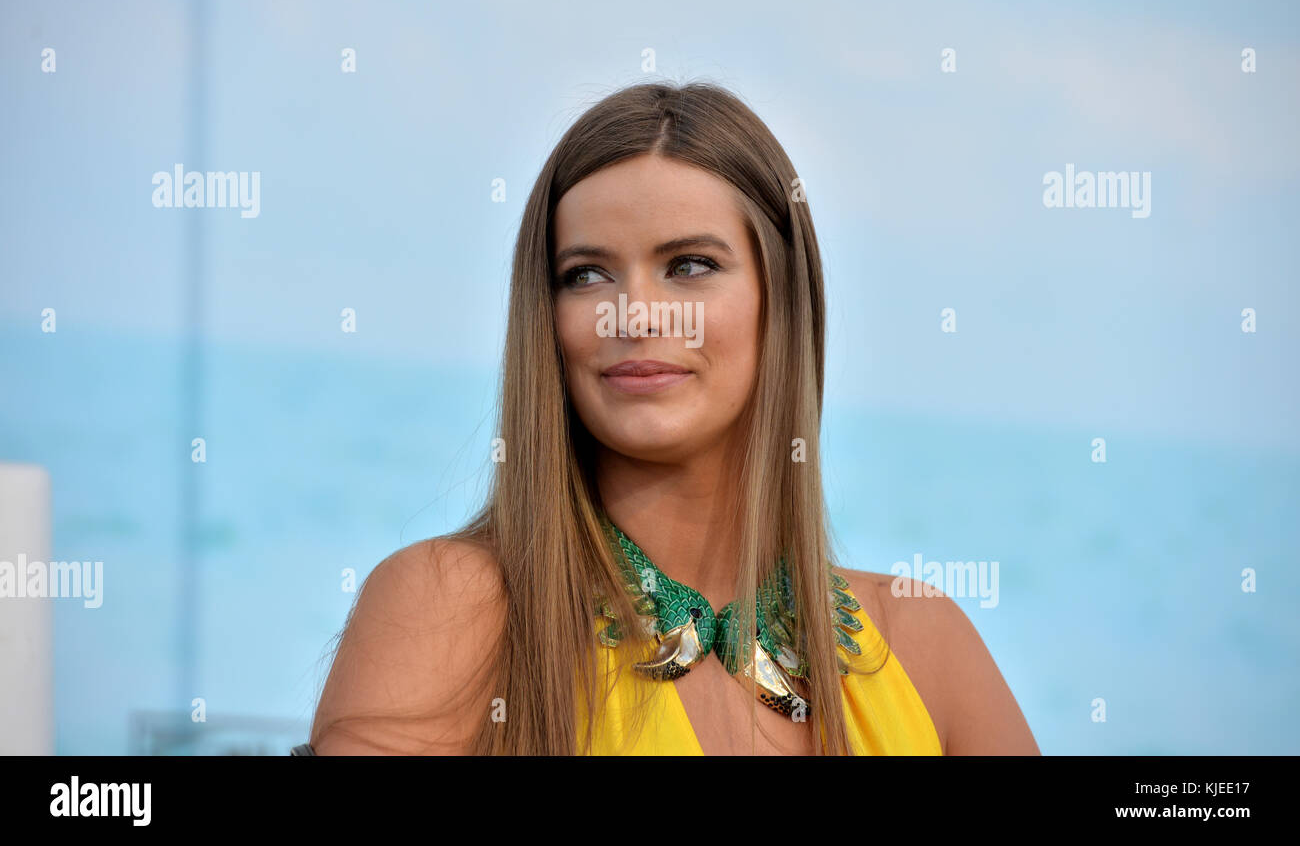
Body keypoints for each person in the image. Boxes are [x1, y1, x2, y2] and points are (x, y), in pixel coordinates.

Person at [301, 81, 1040, 755]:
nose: (636, 313)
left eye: (689, 264)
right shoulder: (448, 605)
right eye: (585, 275)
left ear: (782, 303)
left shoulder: (922, 641)